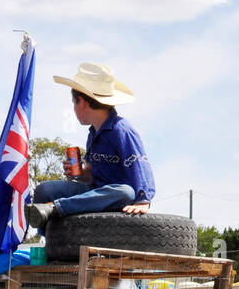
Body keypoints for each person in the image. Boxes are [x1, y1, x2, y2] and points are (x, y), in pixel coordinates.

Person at [26, 62, 155, 229]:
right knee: (44, 190)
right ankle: (54, 238)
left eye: (74, 103)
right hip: (93, 193)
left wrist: (144, 199)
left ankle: (55, 208)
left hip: (114, 200)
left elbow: (140, 165)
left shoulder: (121, 130)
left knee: (125, 192)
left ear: (83, 102)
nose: (73, 108)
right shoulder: (93, 133)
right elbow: (93, 175)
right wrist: (79, 174)